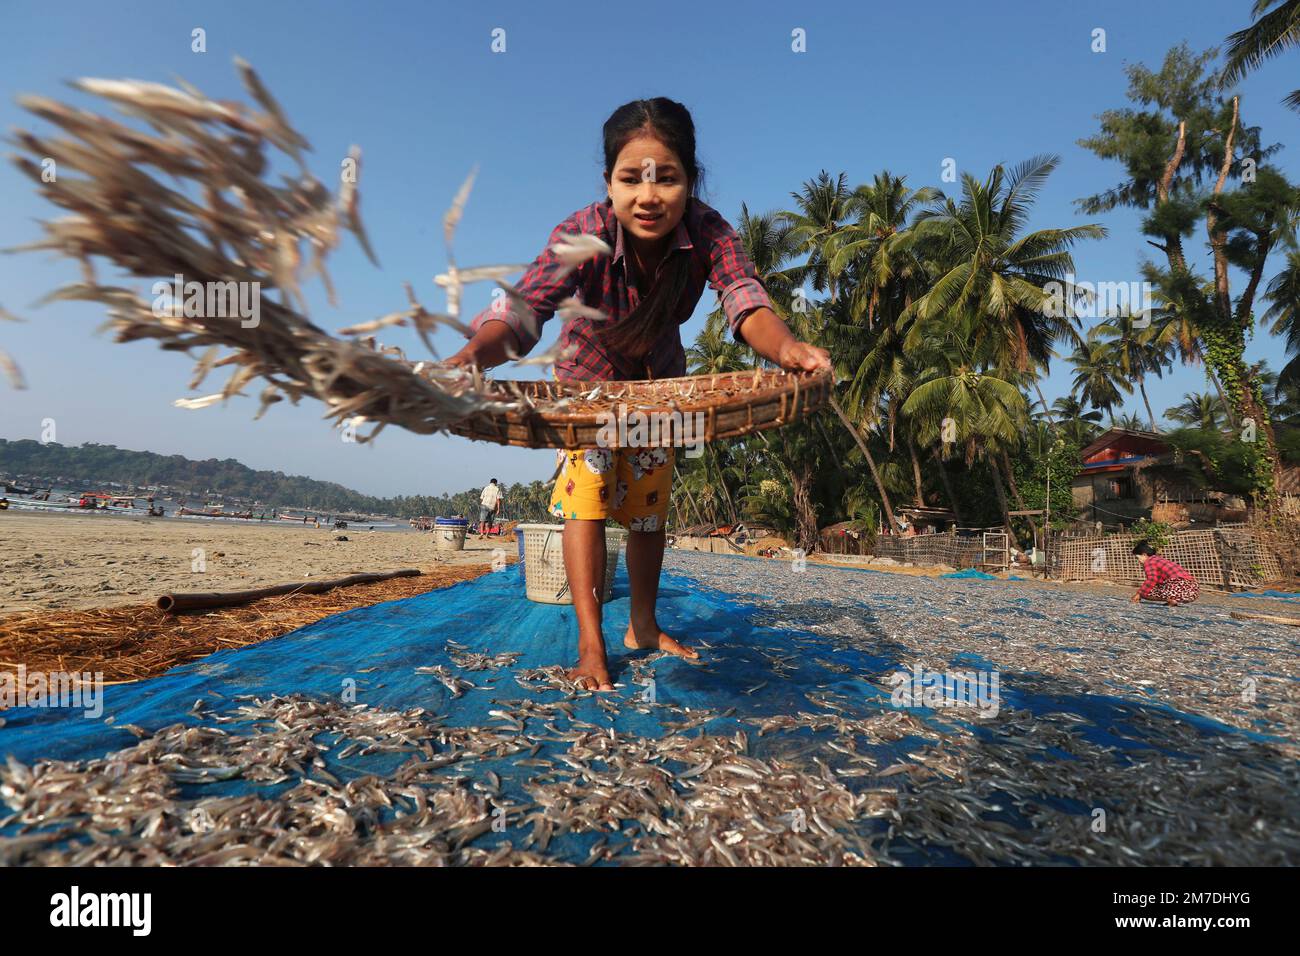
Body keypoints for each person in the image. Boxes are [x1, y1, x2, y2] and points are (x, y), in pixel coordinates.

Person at [447, 98, 830, 690]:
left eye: (667, 178)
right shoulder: (582, 233)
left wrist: (788, 351)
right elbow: (524, 309)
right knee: (589, 503)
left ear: (689, 180)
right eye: (631, 179)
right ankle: (591, 643)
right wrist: (474, 356)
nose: (648, 197)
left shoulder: (708, 231)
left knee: (649, 513)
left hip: (660, 389)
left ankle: (643, 626)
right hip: (587, 384)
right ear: (608, 183)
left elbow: (744, 299)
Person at [1131, 541, 1199, 606]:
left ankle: (1171, 599)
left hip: (1178, 585)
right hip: (1192, 590)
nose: (1138, 561)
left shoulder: (1149, 562)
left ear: (1144, 555)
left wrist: (1139, 594)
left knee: (1145, 592)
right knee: (1151, 588)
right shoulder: (1159, 559)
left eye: (1137, 558)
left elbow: (1152, 579)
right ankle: (1173, 599)